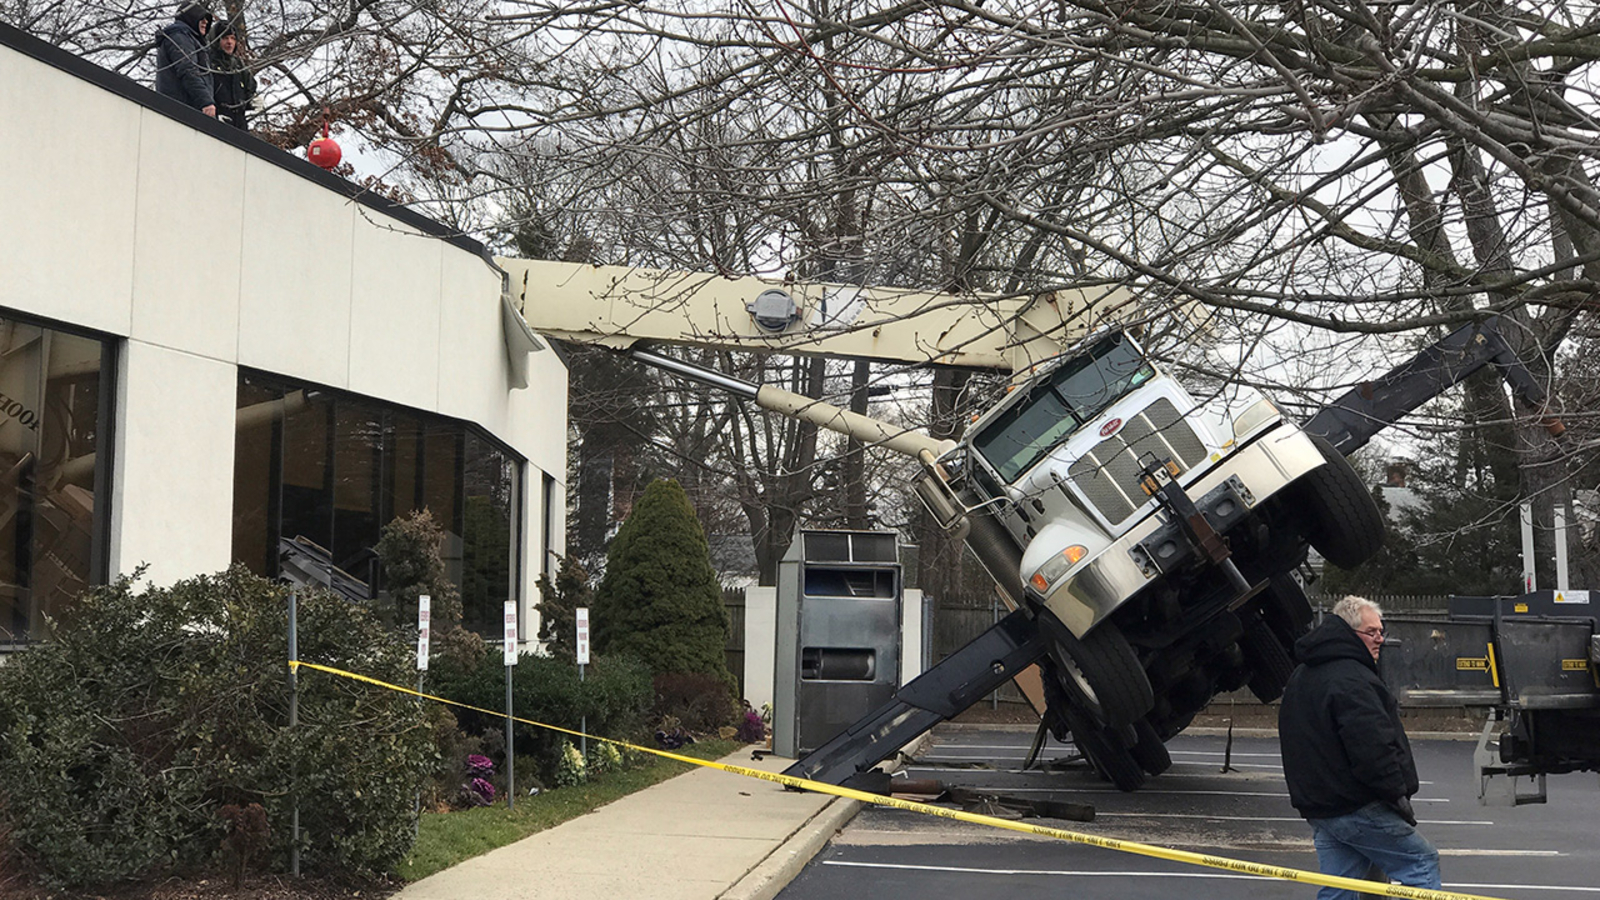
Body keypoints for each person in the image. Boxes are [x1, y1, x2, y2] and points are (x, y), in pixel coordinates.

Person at [1278, 595, 1441, 899]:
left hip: (1322, 806)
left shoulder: (1303, 675)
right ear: (1348, 633)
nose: (1380, 639)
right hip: (1357, 805)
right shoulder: (1352, 679)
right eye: (1372, 632)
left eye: (1382, 631)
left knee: (1343, 886)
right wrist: (1396, 793)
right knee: (1421, 862)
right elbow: (1372, 747)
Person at [154, 2, 216, 116]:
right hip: (181, 110)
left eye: (206, 19)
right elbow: (188, 70)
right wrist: (205, 101)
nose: (205, 22)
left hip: (184, 108)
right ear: (191, 18)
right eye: (201, 18)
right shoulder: (180, 37)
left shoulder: (192, 40)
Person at [210, 23, 256, 131]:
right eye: (225, 38)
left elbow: (250, 85)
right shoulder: (207, 62)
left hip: (239, 124)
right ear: (216, 40)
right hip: (215, 122)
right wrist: (214, 115)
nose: (229, 42)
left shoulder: (238, 64)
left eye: (233, 38)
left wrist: (252, 100)